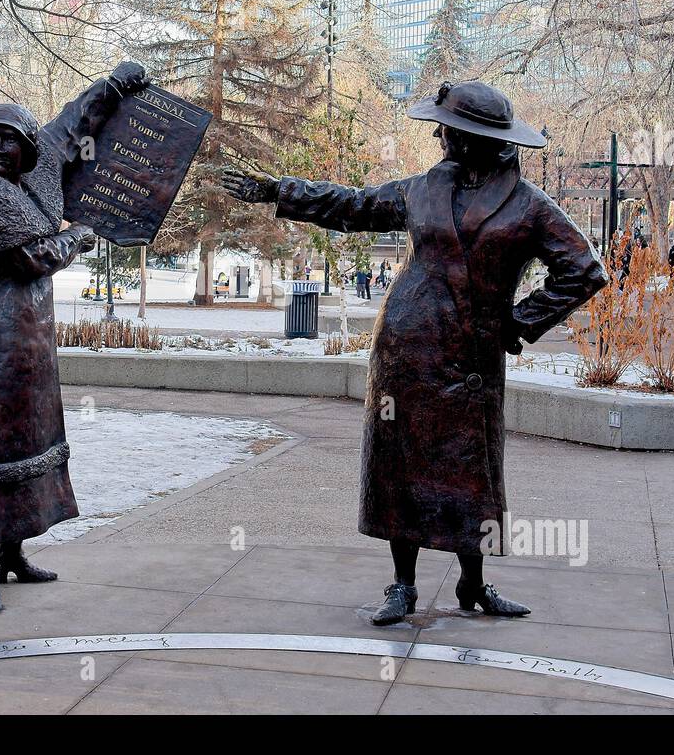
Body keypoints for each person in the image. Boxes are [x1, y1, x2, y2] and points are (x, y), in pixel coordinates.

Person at [222, 80, 606, 625]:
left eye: (446, 128)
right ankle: (402, 584)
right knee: (399, 465)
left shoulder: (529, 206)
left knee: (471, 469)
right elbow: (351, 205)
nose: (437, 135)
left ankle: (473, 584)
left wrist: (517, 323)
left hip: (469, 359)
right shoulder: (424, 188)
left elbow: (583, 271)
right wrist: (277, 191)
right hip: (405, 350)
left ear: (473, 138)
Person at [0, 61, 148, 614]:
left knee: (30, 433)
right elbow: (33, 256)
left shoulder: (39, 170)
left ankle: (13, 551)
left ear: (25, 148)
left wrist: (115, 84)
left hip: (35, 329)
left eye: (6, 142)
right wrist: (80, 236)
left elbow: (71, 120)